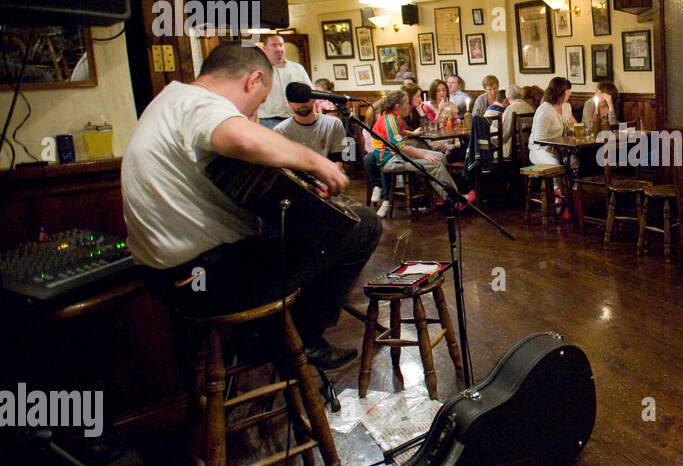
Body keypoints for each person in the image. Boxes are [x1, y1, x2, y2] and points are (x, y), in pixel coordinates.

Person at [122, 42, 380, 369]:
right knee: (363, 223)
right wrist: (317, 162)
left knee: (294, 228)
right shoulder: (197, 103)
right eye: (257, 101)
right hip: (206, 278)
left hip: (171, 278)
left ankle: (264, 336)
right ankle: (302, 339)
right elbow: (242, 138)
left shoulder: (171, 101)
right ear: (252, 80)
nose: (250, 114)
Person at [370, 88, 461, 218]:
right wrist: (424, 155)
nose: (409, 105)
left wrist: (412, 134)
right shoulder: (390, 120)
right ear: (397, 106)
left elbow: (398, 134)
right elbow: (402, 147)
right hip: (391, 159)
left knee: (440, 156)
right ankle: (454, 200)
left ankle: (442, 195)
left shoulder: (393, 116)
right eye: (407, 103)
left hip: (398, 154)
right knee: (434, 163)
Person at [275, 87, 347, 162]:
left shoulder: (334, 124)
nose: (301, 103)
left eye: (305, 98)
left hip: (330, 171)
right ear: (289, 102)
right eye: (296, 99)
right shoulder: (281, 131)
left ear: (314, 99)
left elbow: (339, 159)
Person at [255, 34, 311, 128]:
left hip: (296, 119)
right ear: (265, 49)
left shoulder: (297, 68)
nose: (279, 49)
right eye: (274, 45)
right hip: (269, 122)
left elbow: (309, 93)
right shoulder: (257, 71)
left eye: (281, 45)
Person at [528, 76, 573, 167]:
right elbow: (538, 140)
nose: (570, 93)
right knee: (556, 164)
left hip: (560, 149)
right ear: (560, 93)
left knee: (576, 161)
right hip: (540, 150)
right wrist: (557, 149)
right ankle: (557, 181)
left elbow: (571, 126)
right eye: (568, 91)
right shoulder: (545, 110)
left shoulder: (566, 107)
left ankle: (572, 181)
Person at [501, 84, 535, 160]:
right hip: (528, 145)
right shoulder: (529, 107)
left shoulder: (510, 109)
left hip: (514, 148)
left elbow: (504, 135)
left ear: (508, 97)